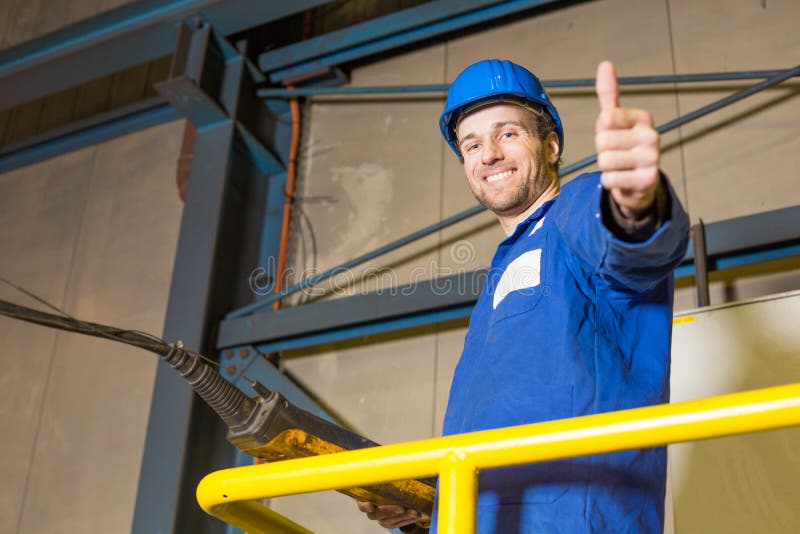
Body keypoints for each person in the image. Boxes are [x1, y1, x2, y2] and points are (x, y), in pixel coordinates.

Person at [358, 59, 690, 533]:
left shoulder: (577, 210)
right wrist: (428, 506)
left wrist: (636, 202)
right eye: (471, 144)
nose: (488, 154)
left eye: (508, 133)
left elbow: (632, 245)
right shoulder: (496, 284)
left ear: (550, 145)